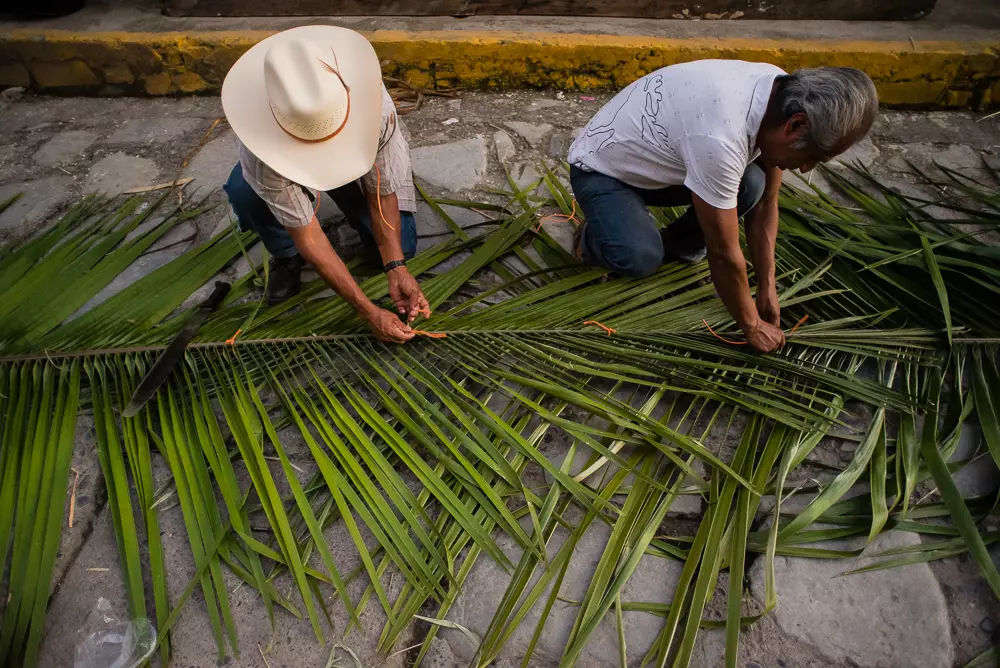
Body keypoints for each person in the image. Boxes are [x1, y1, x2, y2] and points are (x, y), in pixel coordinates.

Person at [567, 62, 878, 353]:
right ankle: (592, 239)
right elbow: (723, 253)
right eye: (811, 157)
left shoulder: (782, 93)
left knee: (751, 185)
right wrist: (752, 326)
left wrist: (767, 285)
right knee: (640, 257)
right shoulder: (721, 138)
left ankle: (676, 243)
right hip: (602, 171)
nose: (805, 168)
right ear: (795, 125)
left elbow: (767, 203)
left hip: (661, 164)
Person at [221, 25, 427, 344]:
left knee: (405, 245)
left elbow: (382, 193)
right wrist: (368, 311)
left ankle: (344, 186)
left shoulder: (376, 110)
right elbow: (309, 235)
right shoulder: (263, 157)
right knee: (246, 193)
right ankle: (284, 253)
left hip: (356, 165)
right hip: (282, 170)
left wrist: (396, 266)